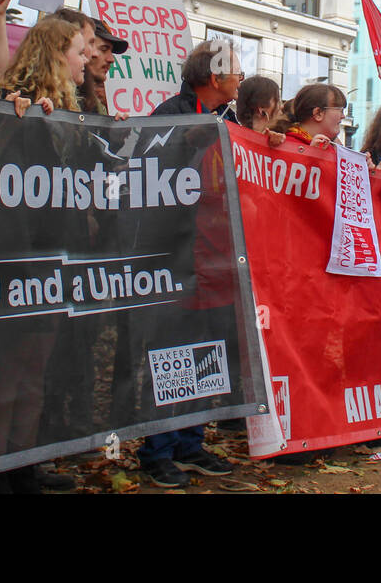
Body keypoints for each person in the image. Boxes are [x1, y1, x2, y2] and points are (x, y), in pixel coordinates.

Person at [136, 40, 241, 488]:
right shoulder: (170, 113)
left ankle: (191, 443)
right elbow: (150, 173)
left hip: (218, 256)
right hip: (176, 253)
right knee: (169, 352)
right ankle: (156, 450)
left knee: (207, 351)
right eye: (235, 70)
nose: (241, 77)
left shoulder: (232, 120)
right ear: (215, 77)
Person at [276, 82, 347, 146]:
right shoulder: (285, 146)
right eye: (340, 110)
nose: (343, 116)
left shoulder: (331, 149)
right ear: (318, 113)